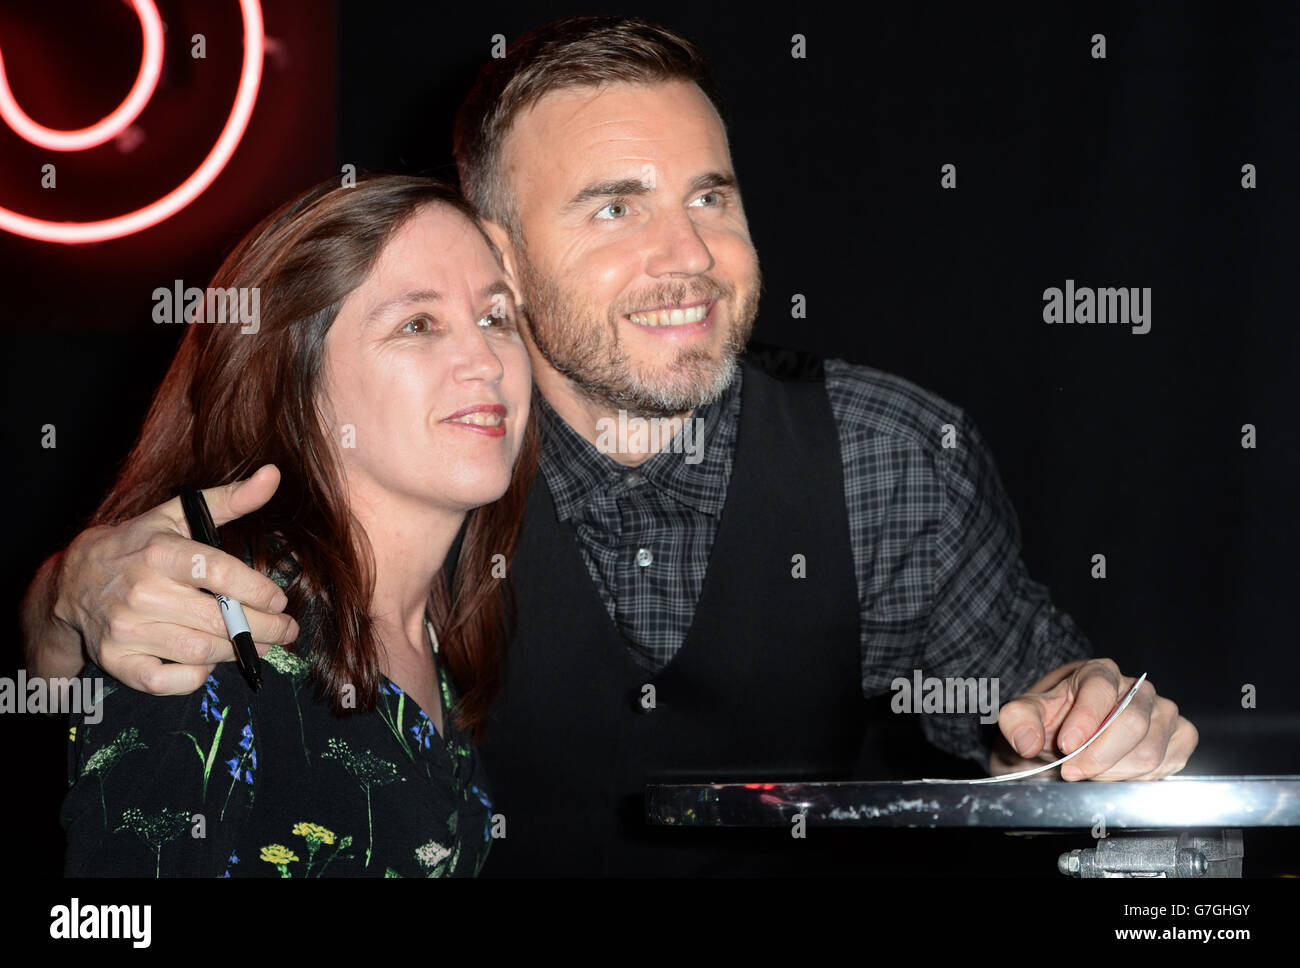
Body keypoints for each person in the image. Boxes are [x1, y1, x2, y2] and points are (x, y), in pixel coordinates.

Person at [25, 18, 1196, 876]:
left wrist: (1090, 715)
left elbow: (1042, 710)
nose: (687, 253)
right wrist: (71, 598)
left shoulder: (891, 455)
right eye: (613, 206)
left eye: (711, 195)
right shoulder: (441, 444)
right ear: (499, 251)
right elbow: (181, 640)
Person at [57, 175, 537, 876]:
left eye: (497, 318)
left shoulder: (440, 631)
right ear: (295, 380)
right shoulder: (212, 627)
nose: (488, 362)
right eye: (418, 325)